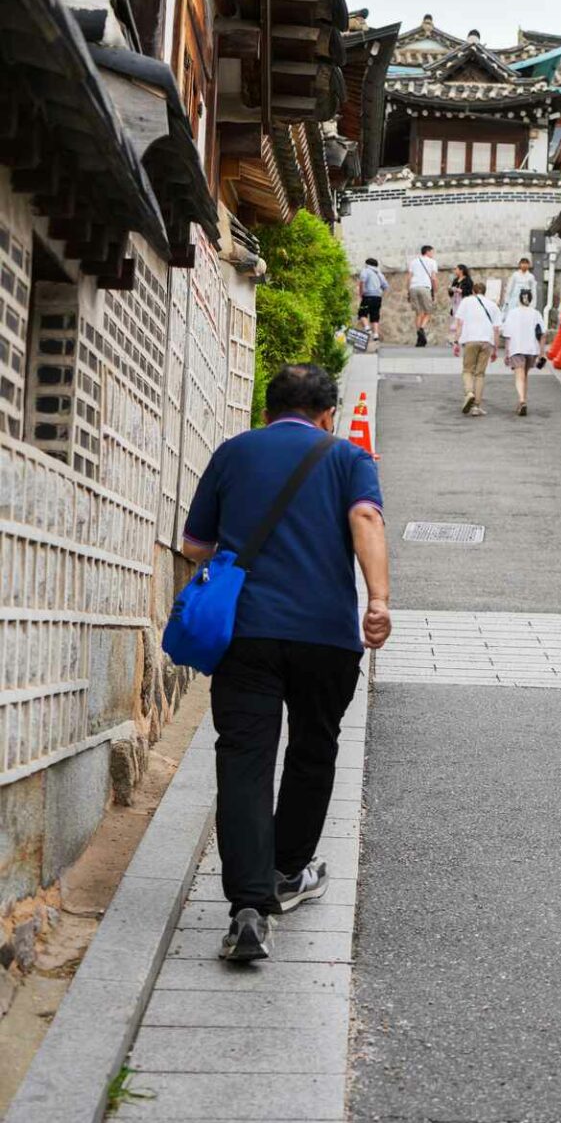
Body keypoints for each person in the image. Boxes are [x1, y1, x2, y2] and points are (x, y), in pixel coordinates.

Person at [181, 364, 391, 963]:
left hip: (246, 633)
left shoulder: (233, 452)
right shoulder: (349, 459)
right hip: (326, 636)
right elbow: (366, 520)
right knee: (313, 750)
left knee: (244, 758)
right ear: (328, 414)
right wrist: (377, 601)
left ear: (268, 410)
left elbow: (196, 545)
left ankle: (248, 906)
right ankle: (287, 873)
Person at [453, 280, 502, 416]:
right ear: (484, 292)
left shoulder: (466, 302)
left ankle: (469, 393)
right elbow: (496, 329)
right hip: (486, 341)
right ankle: (476, 406)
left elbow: (460, 323)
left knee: (467, 370)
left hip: (470, 339)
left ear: (473, 291)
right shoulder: (493, 305)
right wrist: (495, 349)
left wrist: (456, 341)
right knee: (480, 374)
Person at [502, 288, 546, 416]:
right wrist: (541, 353)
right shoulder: (536, 313)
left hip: (516, 347)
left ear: (519, 298)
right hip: (531, 349)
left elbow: (507, 334)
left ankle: (521, 400)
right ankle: (523, 400)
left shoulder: (513, 313)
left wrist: (506, 353)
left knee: (519, 375)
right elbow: (543, 334)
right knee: (525, 375)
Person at [408, 244, 438, 347]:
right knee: (428, 311)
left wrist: (408, 290)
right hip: (425, 288)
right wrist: (435, 290)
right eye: (432, 252)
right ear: (428, 252)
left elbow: (409, 277)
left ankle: (419, 338)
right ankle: (421, 328)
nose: (433, 254)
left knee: (418, 313)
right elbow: (433, 278)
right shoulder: (432, 262)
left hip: (413, 288)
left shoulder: (413, 262)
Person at [356, 257, 388, 342]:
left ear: (367, 264)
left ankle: (367, 329)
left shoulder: (366, 271)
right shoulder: (379, 273)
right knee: (375, 316)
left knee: (362, 313)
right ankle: (376, 335)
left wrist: (361, 293)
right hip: (378, 297)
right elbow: (385, 286)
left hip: (368, 296)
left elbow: (362, 281)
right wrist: (379, 291)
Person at [448, 263, 473, 345]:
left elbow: (469, 292)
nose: (455, 271)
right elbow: (451, 291)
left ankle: (462, 338)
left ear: (461, 270)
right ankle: (454, 339)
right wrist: (451, 290)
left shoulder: (468, 280)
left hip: (463, 301)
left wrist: (460, 290)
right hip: (455, 302)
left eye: (456, 269)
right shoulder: (455, 280)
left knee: (462, 320)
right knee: (455, 319)